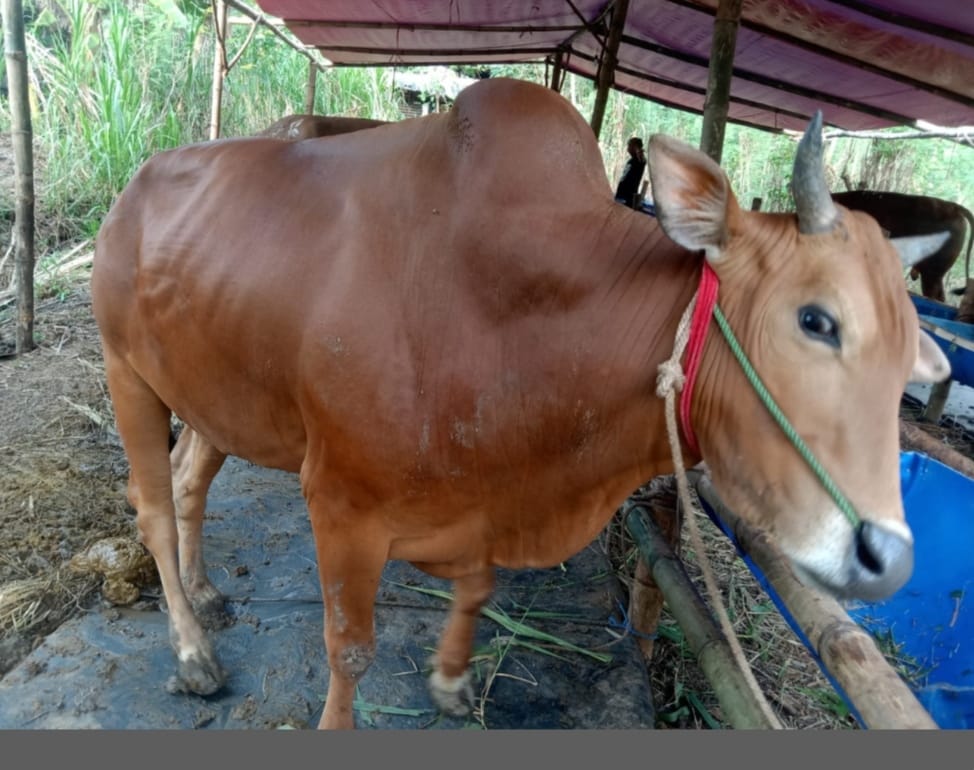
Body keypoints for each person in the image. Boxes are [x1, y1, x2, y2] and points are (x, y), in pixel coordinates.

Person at [614, 137, 646, 209]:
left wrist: (639, 151)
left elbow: (642, 161)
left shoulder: (639, 160)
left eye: (629, 145)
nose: (627, 148)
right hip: (621, 194)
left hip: (628, 197)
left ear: (635, 147)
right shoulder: (632, 160)